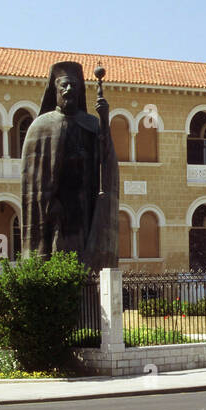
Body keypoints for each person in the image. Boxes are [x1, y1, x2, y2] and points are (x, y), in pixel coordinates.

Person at [20, 60, 119, 271]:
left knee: (84, 260)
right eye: (63, 85)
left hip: (84, 208)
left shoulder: (92, 124)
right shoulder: (40, 127)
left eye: (74, 85)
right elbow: (33, 181)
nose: (68, 90)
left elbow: (107, 160)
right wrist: (49, 204)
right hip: (55, 209)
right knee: (57, 254)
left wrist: (104, 119)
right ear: (54, 90)